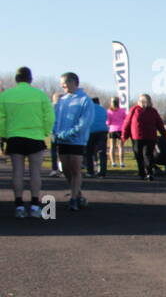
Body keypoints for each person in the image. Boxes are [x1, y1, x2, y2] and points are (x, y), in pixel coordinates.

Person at [0, 66, 54, 218]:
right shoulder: (40, 95)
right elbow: (49, 116)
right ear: (31, 79)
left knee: (17, 171)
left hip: (14, 137)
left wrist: (4, 135)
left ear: (16, 79)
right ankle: (35, 205)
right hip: (35, 137)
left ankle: (19, 206)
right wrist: (45, 132)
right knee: (35, 172)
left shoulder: (5, 95)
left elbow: (1, 118)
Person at [51, 72, 95, 211]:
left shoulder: (85, 101)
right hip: (62, 141)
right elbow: (55, 119)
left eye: (64, 83)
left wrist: (67, 134)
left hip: (77, 141)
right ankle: (78, 194)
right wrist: (55, 132)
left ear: (73, 82)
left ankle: (73, 199)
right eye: (61, 83)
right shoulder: (62, 100)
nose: (62, 86)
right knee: (66, 170)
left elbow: (84, 124)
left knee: (75, 170)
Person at [121, 93, 166, 180]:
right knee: (147, 154)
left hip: (138, 137)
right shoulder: (151, 111)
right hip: (148, 136)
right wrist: (165, 136)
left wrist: (124, 135)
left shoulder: (136, 110)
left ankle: (143, 172)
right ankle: (148, 172)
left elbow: (127, 123)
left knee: (140, 155)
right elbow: (160, 125)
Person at [85, 98, 109, 178]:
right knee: (102, 152)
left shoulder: (88, 109)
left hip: (91, 131)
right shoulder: (103, 109)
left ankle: (90, 171)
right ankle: (102, 172)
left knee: (89, 152)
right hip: (102, 131)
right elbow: (106, 119)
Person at [106, 96, 127, 168]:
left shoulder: (109, 111)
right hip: (121, 130)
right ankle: (122, 162)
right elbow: (126, 119)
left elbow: (108, 122)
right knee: (121, 147)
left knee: (112, 147)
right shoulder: (122, 110)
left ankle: (113, 162)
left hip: (112, 130)